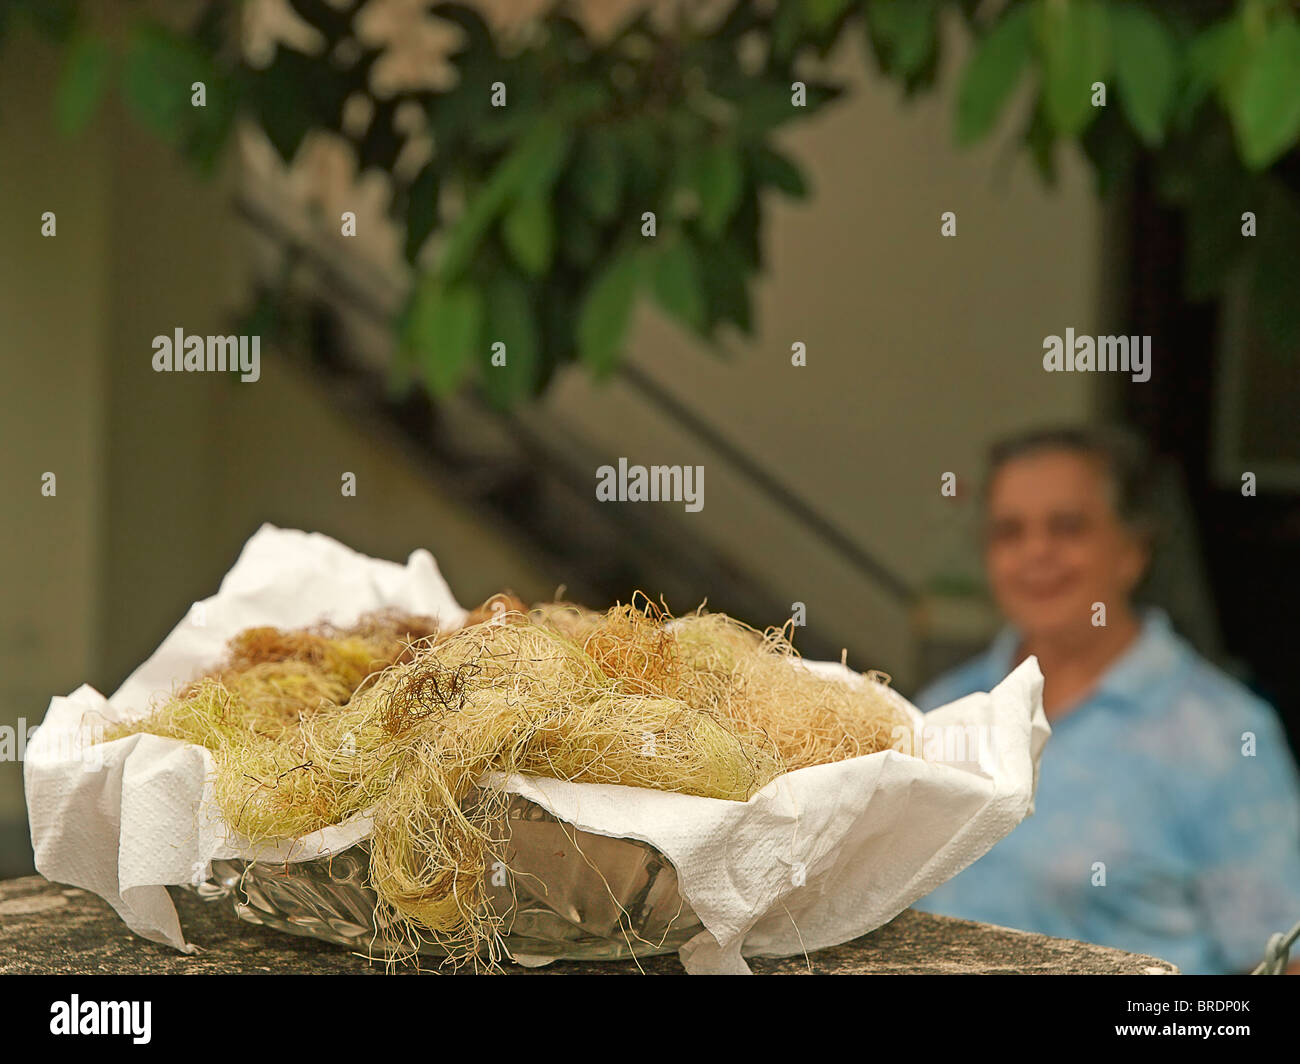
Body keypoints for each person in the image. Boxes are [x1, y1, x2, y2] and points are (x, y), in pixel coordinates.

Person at [911, 426, 1300, 974]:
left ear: (1132, 551)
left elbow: (1279, 961)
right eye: (1009, 531)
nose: (1036, 553)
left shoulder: (1225, 734)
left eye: (1068, 527)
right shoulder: (942, 710)